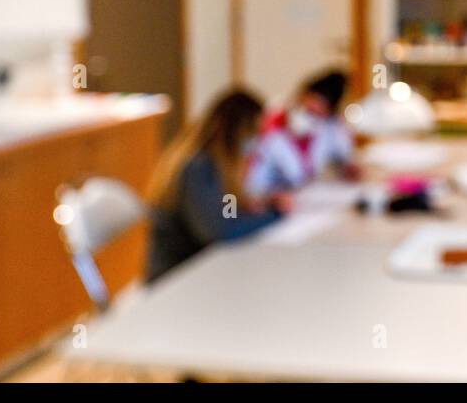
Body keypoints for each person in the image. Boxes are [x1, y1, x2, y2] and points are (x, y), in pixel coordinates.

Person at [145, 88, 288, 282]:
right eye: (255, 133)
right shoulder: (196, 168)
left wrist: (258, 205)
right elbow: (222, 231)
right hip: (177, 282)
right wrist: (274, 214)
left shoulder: (220, 167)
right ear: (238, 132)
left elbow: (228, 215)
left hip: (203, 271)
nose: (258, 141)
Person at [245, 69, 356, 198]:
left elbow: (345, 154)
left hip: (305, 199)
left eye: (316, 114)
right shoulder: (270, 128)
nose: (308, 116)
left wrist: (349, 167)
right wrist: (269, 199)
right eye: (306, 109)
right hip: (270, 205)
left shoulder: (327, 130)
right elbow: (251, 184)